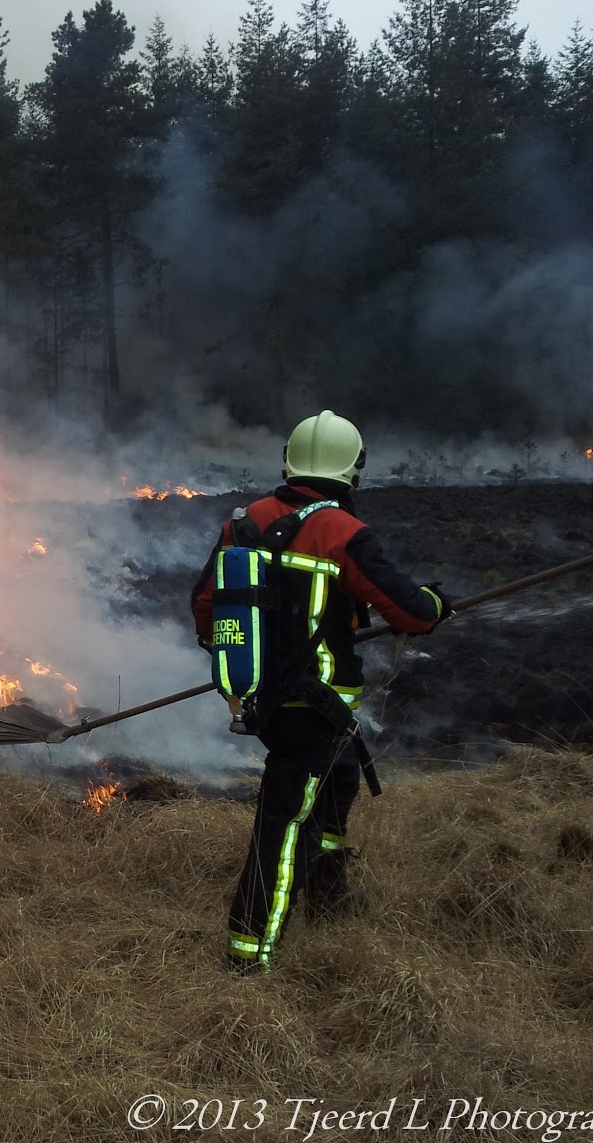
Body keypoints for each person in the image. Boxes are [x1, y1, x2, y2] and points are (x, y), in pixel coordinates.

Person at [190, 410, 452, 973]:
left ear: (290, 460)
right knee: (284, 823)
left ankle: (329, 891)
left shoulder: (246, 521)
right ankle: (249, 952)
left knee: (338, 785)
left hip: (264, 701)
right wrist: (435, 604)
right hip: (316, 707)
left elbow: (206, 605)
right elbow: (408, 611)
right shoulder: (343, 532)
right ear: (352, 469)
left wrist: (234, 673)